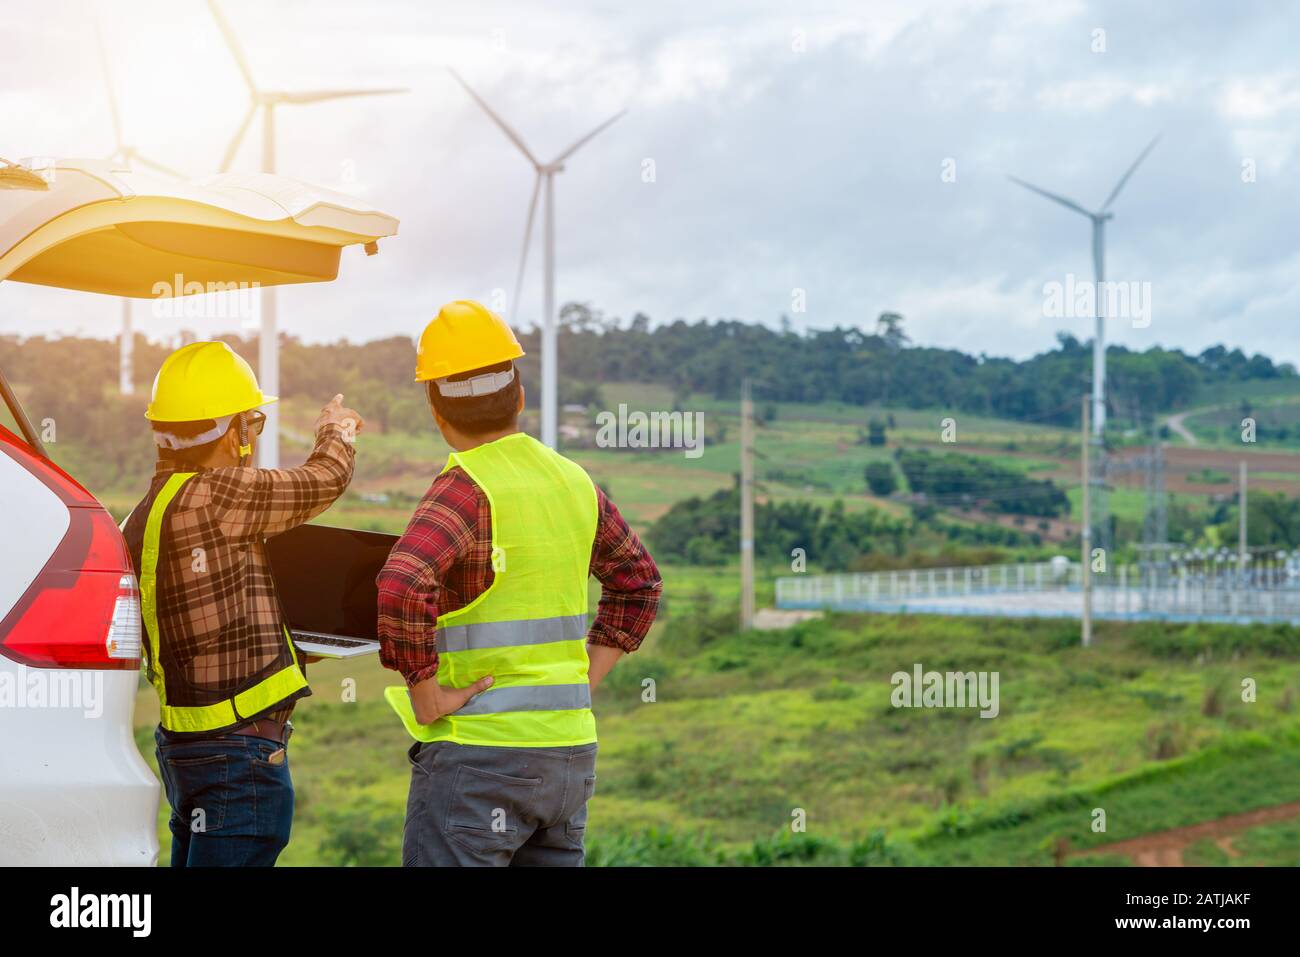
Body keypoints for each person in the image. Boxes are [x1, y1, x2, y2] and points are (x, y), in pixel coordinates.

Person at [378, 300, 662, 866]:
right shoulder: (574, 482)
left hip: (480, 762)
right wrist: (583, 678)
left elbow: (402, 584)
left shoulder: (465, 488)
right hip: (566, 758)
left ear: (436, 408)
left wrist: (425, 691)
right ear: (521, 396)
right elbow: (639, 583)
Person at [122, 340, 363, 866]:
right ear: (235, 431)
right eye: (251, 424)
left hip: (183, 746)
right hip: (238, 756)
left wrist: (286, 648)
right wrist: (336, 432)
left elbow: (201, 626)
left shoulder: (144, 514)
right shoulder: (217, 495)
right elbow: (324, 480)